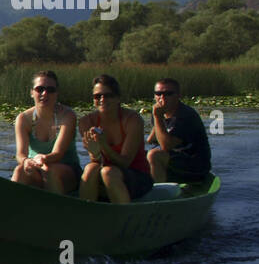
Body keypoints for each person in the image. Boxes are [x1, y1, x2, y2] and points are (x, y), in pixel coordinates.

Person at [79, 74, 152, 203]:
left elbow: (125, 163)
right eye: (97, 96)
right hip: (105, 173)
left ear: (118, 98)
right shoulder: (86, 122)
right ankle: (86, 213)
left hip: (136, 176)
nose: (102, 99)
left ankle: (124, 216)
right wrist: (95, 153)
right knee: (90, 169)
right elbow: (96, 160)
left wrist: (104, 145)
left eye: (108, 95)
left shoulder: (132, 120)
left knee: (108, 172)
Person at [11, 70, 79, 194]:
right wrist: (26, 161)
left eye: (50, 90)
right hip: (36, 169)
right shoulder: (23, 119)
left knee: (49, 170)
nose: (44, 93)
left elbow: (58, 153)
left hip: (66, 172)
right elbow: (20, 154)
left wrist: (43, 158)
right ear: (32, 92)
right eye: (39, 89)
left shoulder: (68, 116)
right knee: (19, 170)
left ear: (57, 93)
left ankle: (57, 209)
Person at [146, 78, 211, 183]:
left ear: (178, 95)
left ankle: (160, 194)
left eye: (168, 93)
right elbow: (151, 139)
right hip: (175, 159)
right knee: (141, 155)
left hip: (195, 165)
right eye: (158, 93)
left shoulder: (186, 116)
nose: (162, 97)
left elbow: (166, 146)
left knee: (154, 155)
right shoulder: (159, 111)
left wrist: (158, 117)